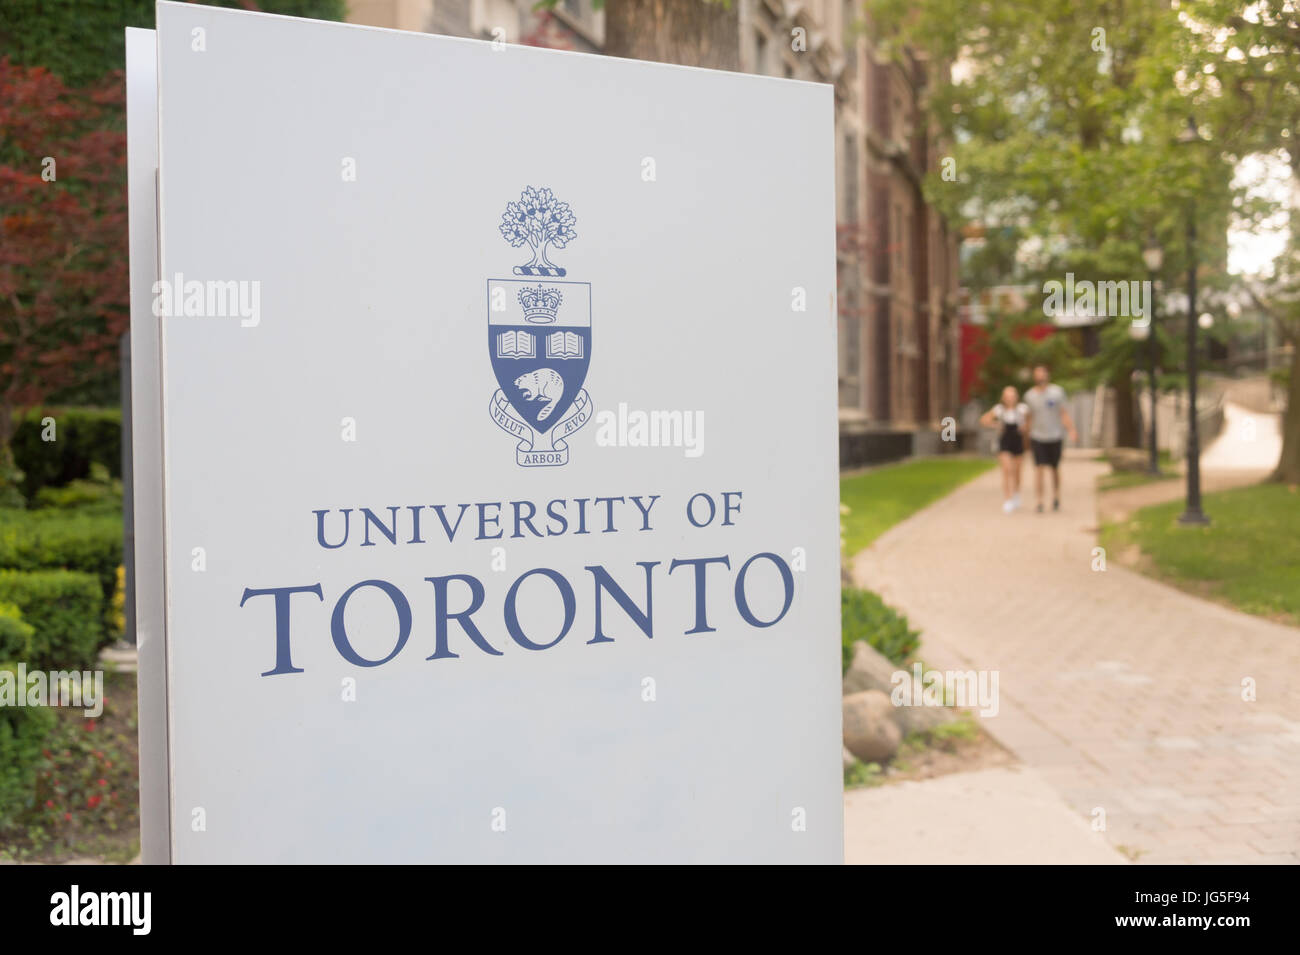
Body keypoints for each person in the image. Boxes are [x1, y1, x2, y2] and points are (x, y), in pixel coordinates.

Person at [1024, 364, 1078, 512]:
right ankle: (1039, 501)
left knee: (1054, 469)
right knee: (1039, 468)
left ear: (1047, 375)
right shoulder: (1030, 395)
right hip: (1037, 436)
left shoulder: (1057, 392)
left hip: (1055, 435)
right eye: (1037, 374)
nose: (1040, 376)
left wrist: (1071, 429)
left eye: (1042, 373)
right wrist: (1026, 438)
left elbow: (1063, 413)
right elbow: (1029, 417)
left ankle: (1056, 496)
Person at [979, 386, 1029, 513]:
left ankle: (1016, 493)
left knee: (1017, 471)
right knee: (1007, 470)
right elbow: (984, 419)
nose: (1010, 399)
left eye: (1012, 396)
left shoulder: (1022, 409)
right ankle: (1008, 499)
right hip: (1005, 442)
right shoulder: (999, 410)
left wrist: (1025, 428)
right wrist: (995, 424)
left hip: (1017, 441)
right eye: (1007, 396)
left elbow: (1030, 422)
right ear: (1003, 398)